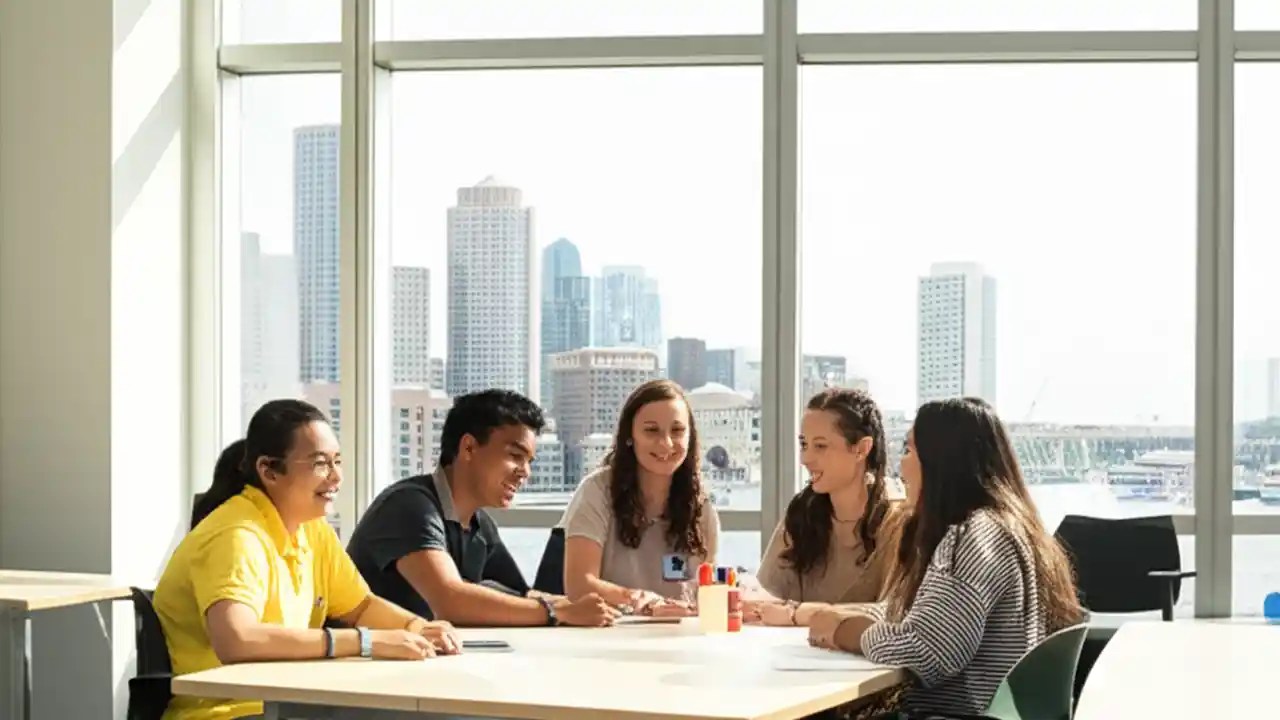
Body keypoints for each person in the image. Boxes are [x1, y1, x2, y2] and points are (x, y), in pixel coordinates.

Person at [156, 399, 460, 720]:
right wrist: (367, 642)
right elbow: (237, 639)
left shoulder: (312, 528)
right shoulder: (236, 535)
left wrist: (418, 627)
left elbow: (361, 607)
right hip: (230, 713)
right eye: (320, 463)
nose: (335, 477)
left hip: (290, 704)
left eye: (337, 461)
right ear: (269, 471)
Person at [806, 398, 1083, 718]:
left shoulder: (972, 538)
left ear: (942, 462)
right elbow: (919, 616)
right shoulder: (1010, 528)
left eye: (909, 450)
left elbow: (930, 650)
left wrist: (846, 634)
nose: (901, 466)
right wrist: (838, 617)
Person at [346, 389, 617, 627]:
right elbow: (450, 600)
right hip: (358, 671)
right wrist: (558, 611)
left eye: (529, 460)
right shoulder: (409, 505)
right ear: (468, 447)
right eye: (515, 456)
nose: (525, 473)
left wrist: (590, 607)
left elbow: (520, 596)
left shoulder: (479, 524)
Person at [746, 388, 907, 626]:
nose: (805, 459)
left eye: (820, 446)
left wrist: (797, 613)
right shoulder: (802, 512)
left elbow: (892, 614)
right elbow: (768, 596)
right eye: (803, 444)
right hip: (795, 657)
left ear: (861, 449)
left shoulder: (898, 521)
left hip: (867, 661)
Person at [560, 379, 721, 615]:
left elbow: (707, 596)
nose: (666, 443)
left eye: (677, 431)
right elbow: (578, 585)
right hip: (609, 637)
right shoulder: (597, 491)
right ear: (629, 436)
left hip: (679, 640)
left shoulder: (702, 508)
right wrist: (641, 601)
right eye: (651, 430)